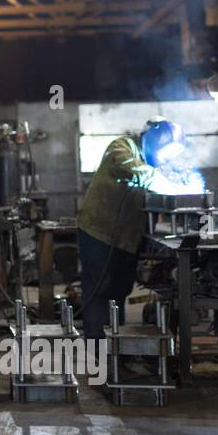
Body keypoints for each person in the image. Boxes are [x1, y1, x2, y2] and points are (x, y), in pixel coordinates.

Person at [76, 117, 184, 341]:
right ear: (152, 140)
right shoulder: (121, 148)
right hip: (99, 234)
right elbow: (140, 174)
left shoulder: (153, 163)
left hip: (127, 239)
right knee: (99, 291)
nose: (164, 158)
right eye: (163, 151)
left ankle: (116, 343)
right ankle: (97, 348)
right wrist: (171, 187)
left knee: (119, 292)